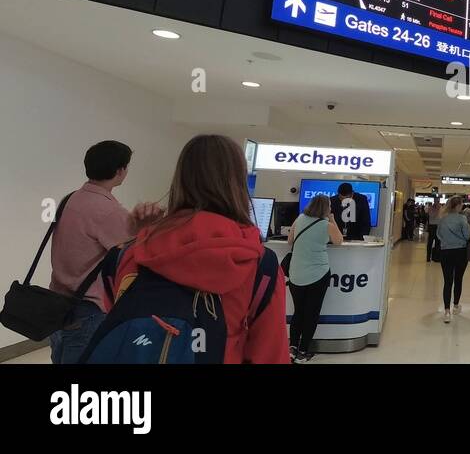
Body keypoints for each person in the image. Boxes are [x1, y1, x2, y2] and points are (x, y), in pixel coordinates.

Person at [103, 135, 289, 363]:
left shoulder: (131, 253)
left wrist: (139, 235)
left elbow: (119, 321)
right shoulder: (259, 264)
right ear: (237, 183)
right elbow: (270, 353)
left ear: (180, 178)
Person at [48, 140, 164, 364]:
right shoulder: (108, 210)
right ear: (120, 171)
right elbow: (137, 253)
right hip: (86, 309)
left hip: (57, 302)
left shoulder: (69, 199)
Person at [288, 193, 344, 363]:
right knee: (311, 314)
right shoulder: (326, 225)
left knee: (298, 312)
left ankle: (292, 348)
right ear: (327, 209)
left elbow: (290, 241)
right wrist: (332, 220)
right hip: (317, 275)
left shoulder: (299, 219)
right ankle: (304, 351)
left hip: (296, 273)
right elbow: (339, 241)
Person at [437, 196, 470, 323]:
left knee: (447, 281)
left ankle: (446, 311)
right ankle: (456, 306)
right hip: (460, 252)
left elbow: (439, 235)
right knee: (458, 279)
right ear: (458, 206)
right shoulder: (462, 219)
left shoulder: (443, 219)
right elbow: (467, 235)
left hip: (445, 252)